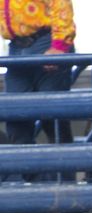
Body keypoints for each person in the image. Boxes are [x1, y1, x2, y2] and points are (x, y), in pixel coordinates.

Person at [0, 0, 76, 146]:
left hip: (46, 41)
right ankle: (26, 168)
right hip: (16, 47)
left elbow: (60, 4)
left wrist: (59, 46)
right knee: (16, 120)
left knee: (52, 116)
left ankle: (63, 167)